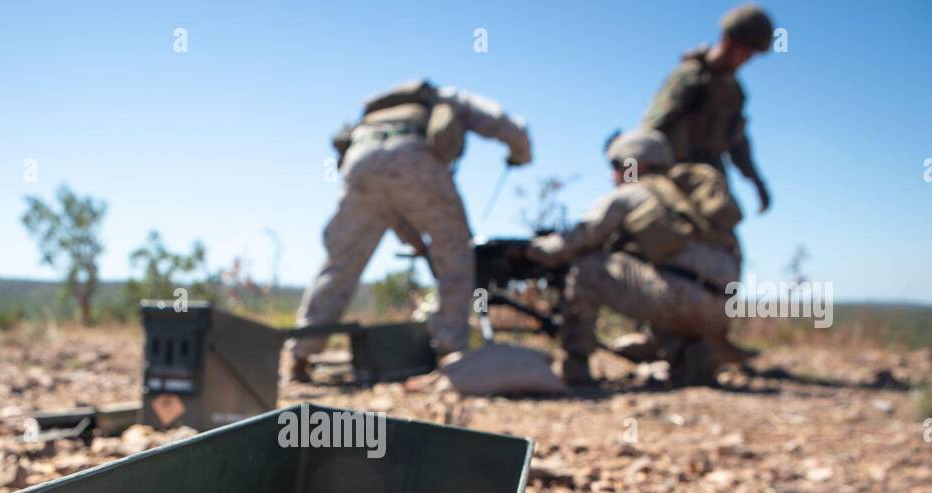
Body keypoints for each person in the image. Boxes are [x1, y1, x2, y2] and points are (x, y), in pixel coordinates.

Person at [287, 80, 532, 382]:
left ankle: (300, 354)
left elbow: (391, 209)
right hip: (415, 157)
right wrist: (521, 153)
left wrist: (415, 241)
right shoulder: (445, 96)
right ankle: (450, 354)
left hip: (360, 162)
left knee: (340, 263)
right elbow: (504, 123)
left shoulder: (375, 113)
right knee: (456, 257)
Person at [525, 129, 745, 387]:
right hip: (721, 309)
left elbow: (576, 239)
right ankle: (691, 355)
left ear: (633, 164)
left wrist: (530, 250)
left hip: (677, 298)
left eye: (616, 166)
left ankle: (576, 368)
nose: (612, 174)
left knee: (587, 269)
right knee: (665, 280)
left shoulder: (633, 193)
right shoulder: (689, 200)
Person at [642, 4, 774, 214]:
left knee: (723, 236)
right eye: (747, 53)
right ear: (729, 41)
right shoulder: (690, 76)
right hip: (674, 178)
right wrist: (632, 167)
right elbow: (653, 125)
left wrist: (757, 183)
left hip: (711, 185)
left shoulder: (734, 91)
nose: (748, 61)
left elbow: (738, 142)